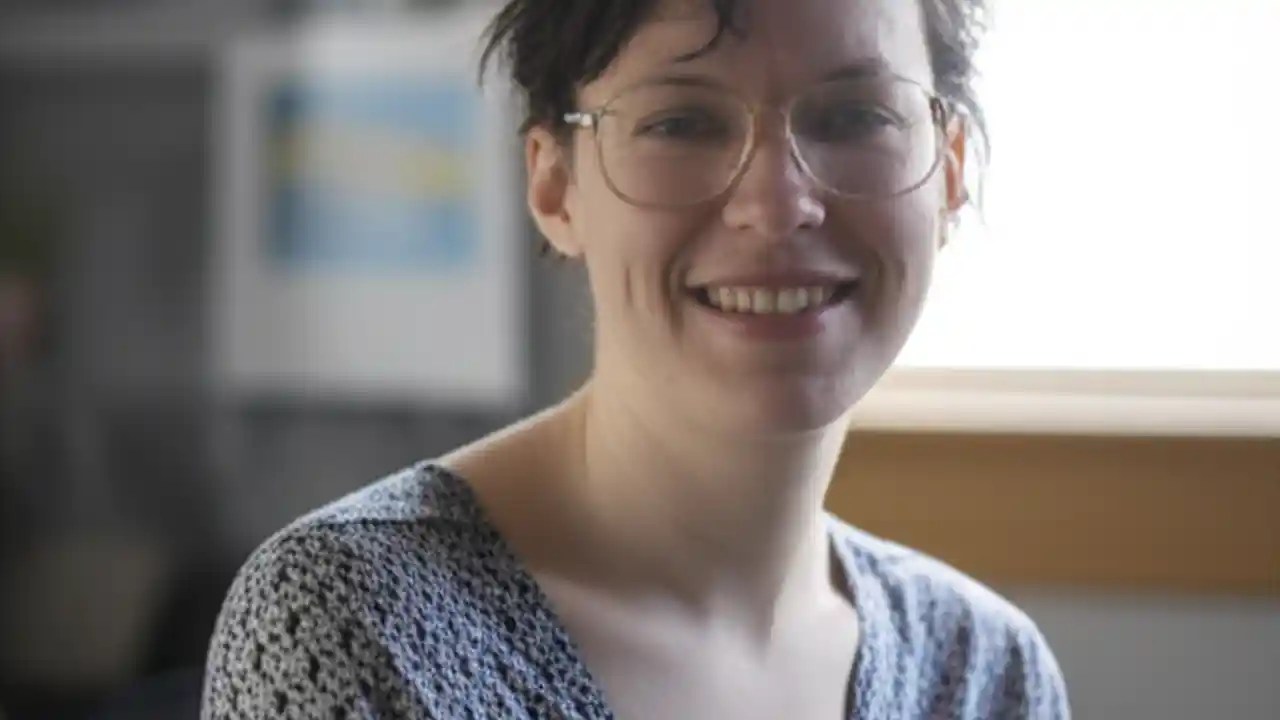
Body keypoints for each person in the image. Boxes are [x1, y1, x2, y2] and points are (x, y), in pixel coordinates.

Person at [202, 0, 1071, 717]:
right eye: (682, 122)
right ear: (554, 185)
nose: (775, 205)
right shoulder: (351, 622)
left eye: (854, 117)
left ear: (950, 171)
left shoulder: (983, 673)